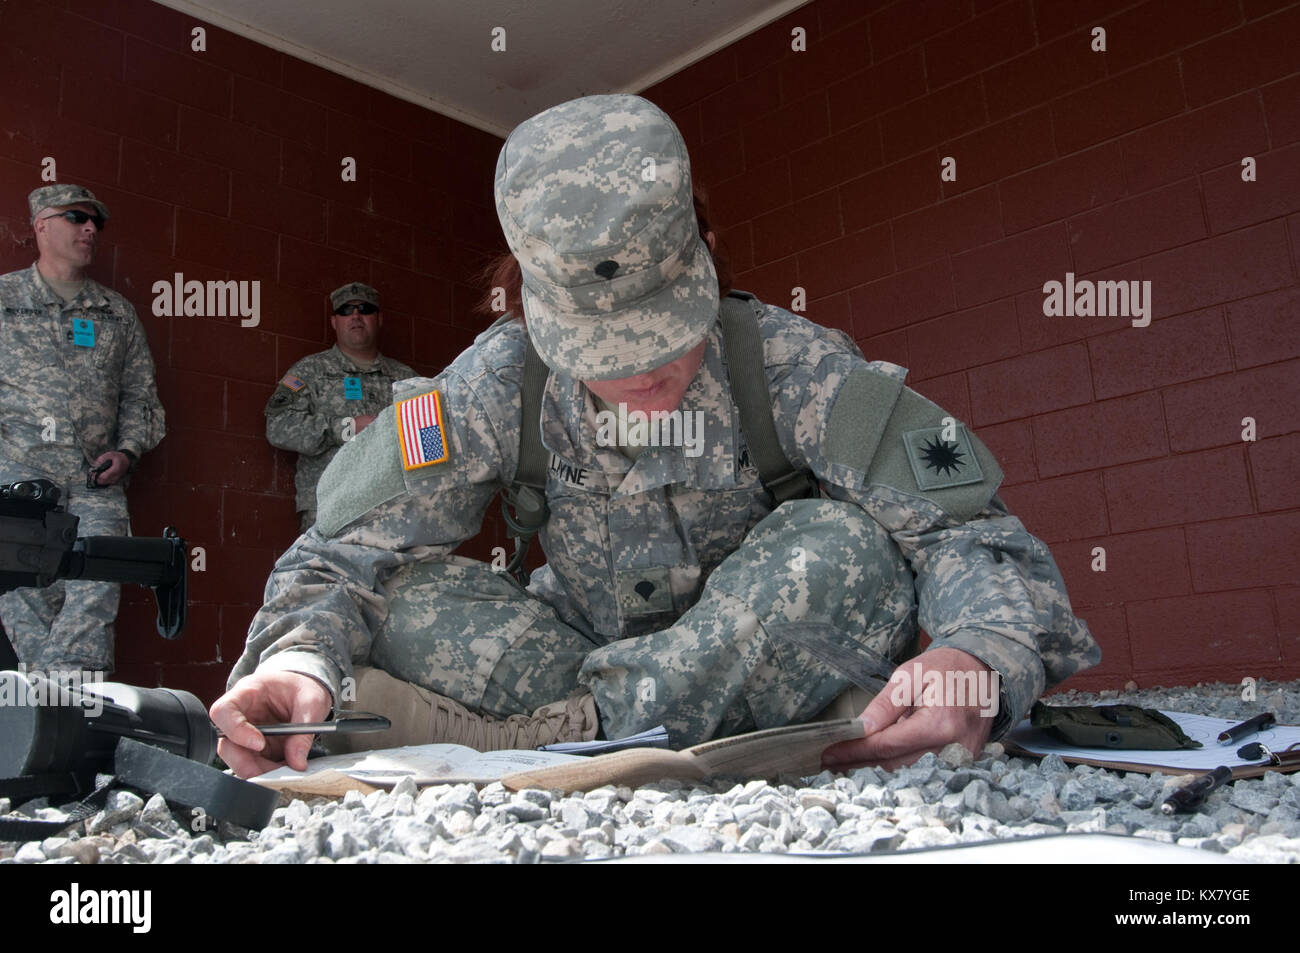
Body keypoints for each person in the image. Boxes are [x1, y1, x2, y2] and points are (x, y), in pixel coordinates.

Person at [213, 95, 1099, 779]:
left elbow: (975, 533)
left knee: (844, 545)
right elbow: (339, 552)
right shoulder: (495, 381)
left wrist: (973, 655)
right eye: (600, 348)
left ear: (705, 253)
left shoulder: (793, 365)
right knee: (404, 594)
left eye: (663, 329)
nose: (641, 371)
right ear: (527, 302)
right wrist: (298, 661)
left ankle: (570, 746)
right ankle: (705, 741)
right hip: (577, 653)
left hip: (756, 650)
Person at [0, 184, 165, 672]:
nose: (90, 228)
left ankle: (77, 712)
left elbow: (142, 397)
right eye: (76, 218)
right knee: (27, 599)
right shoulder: (4, 299)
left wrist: (128, 450)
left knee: (96, 593)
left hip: (96, 483)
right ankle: (46, 720)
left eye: (96, 221)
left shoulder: (115, 312)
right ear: (41, 226)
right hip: (19, 481)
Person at [264, 282, 415, 531]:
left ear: (379, 319)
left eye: (365, 309)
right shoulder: (310, 371)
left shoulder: (405, 379)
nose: (355, 316)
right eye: (346, 311)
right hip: (331, 506)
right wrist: (346, 427)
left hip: (392, 508)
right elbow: (278, 426)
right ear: (335, 322)